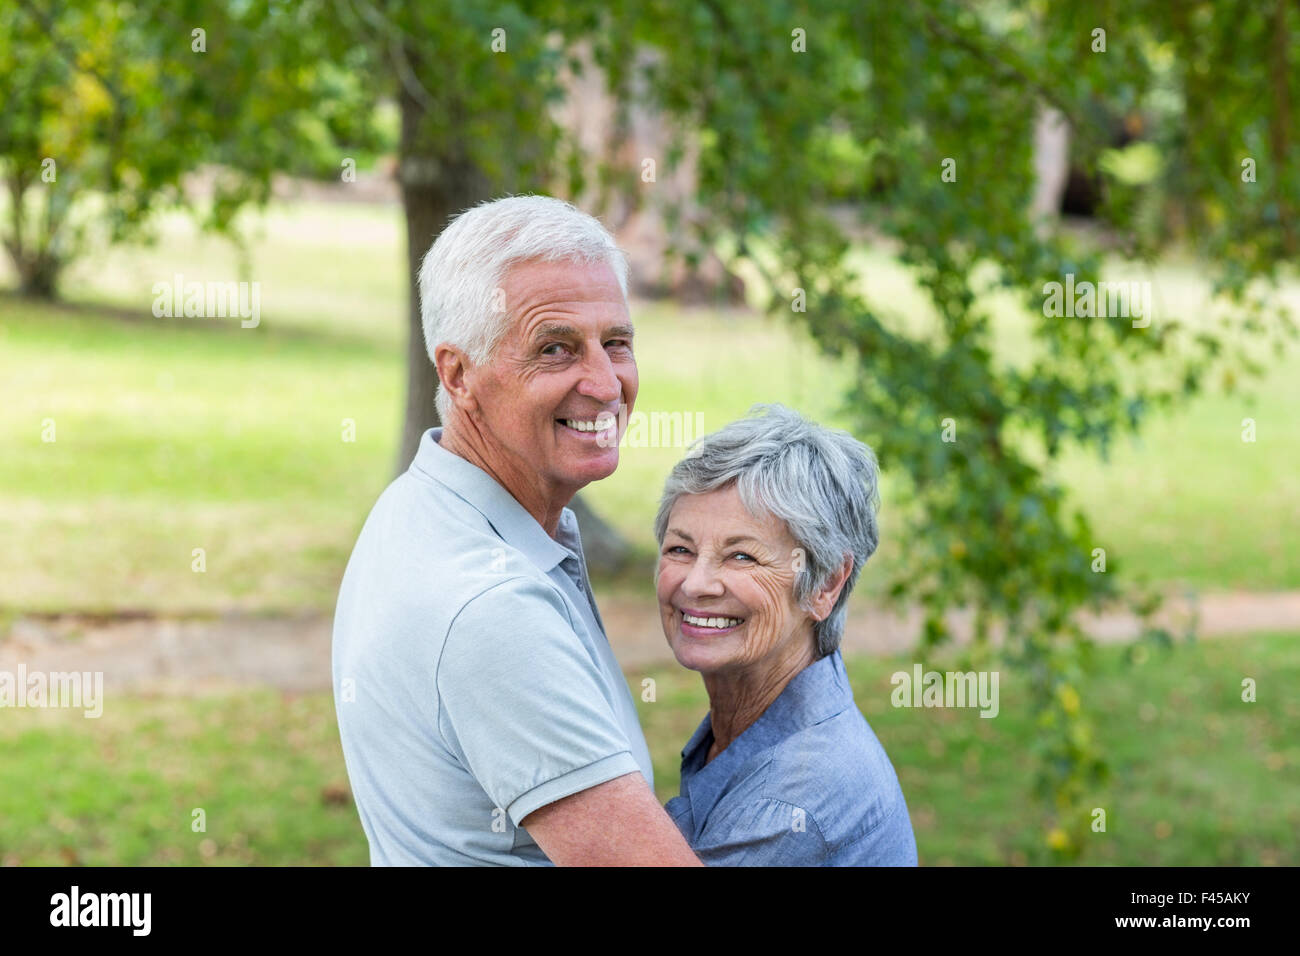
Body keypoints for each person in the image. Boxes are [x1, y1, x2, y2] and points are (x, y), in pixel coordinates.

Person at [332, 194, 700, 866]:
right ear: (458, 374)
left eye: (616, 343)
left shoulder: (419, 507)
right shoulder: (492, 610)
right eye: (555, 349)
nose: (604, 383)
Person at [656, 404, 918, 865]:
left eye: (742, 557)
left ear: (825, 584)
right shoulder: (766, 729)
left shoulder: (790, 806)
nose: (695, 583)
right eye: (681, 548)